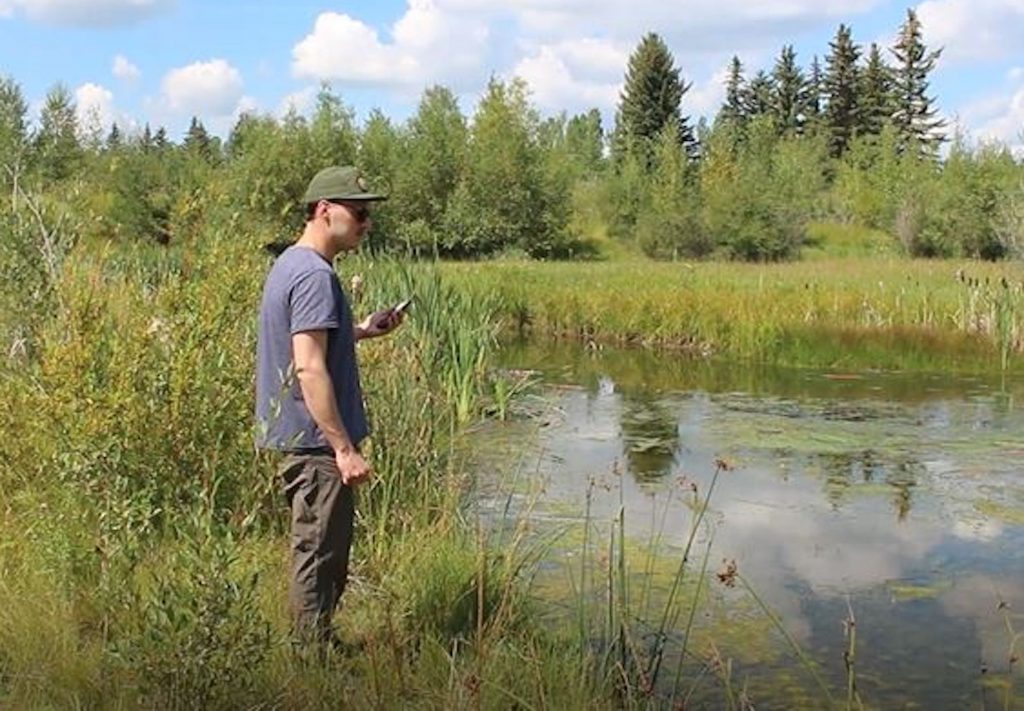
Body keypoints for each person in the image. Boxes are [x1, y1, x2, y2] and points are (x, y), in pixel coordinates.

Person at [255, 165, 402, 649]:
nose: (366, 223)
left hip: (305, 437)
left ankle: (314, 646)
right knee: (319, 553)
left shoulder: (292, 264)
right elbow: (309, 367)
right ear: (325, 210)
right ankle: (310, 657)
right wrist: (343, 448)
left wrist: (361, 330)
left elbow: (311, 342)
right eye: (359, 213)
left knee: (320, 547)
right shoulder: (315, 275)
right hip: (317, 444)